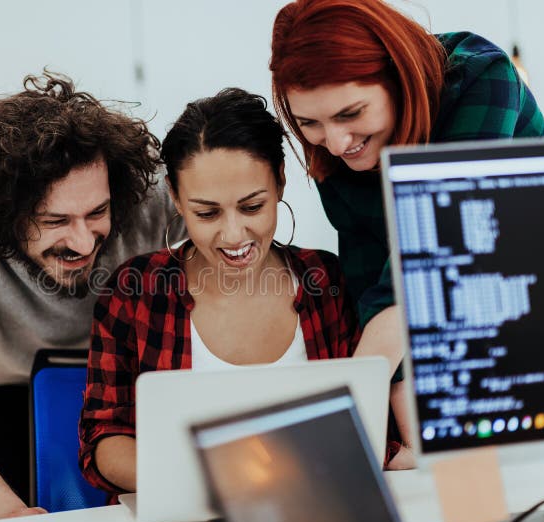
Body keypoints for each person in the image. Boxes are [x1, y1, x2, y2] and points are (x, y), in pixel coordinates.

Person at [0, 72, 183, 522]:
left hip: (129, 394)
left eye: (97, 213)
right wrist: (8, 517)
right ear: (5, 215)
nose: (83, 243)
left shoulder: (150, 193)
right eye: (55, 220)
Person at [269, 0, 544, 466]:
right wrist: (404, 445)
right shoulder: (338, 161)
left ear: (396, 73)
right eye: (309, 124)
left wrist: (350, 426)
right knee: (457, 503)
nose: (337, 143)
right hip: (434, 354)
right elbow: (372, 292)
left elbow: (426, 262)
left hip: (535, 327)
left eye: (350, 113)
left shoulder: (481, 79)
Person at [78, 88, 366, 496]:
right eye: (207, 213)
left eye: (252, 207)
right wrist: (216, 482)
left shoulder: (326, 282)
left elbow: (368, 421)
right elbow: (105, 439)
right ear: (176, 198)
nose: (233, 235)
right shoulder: (135, 291)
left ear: (281, 181)